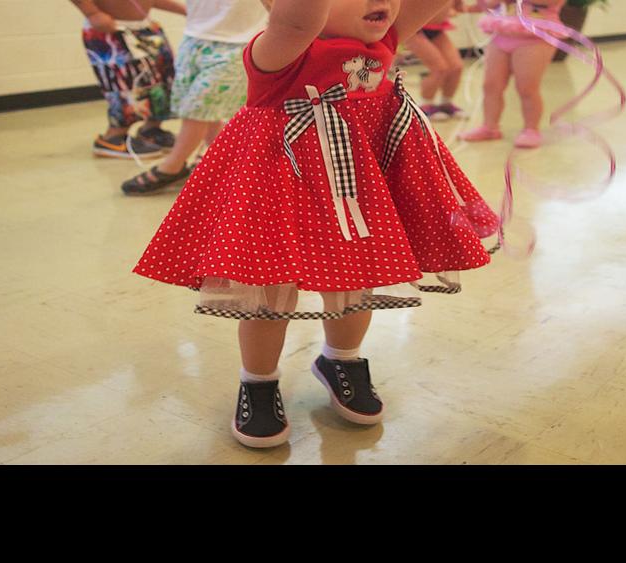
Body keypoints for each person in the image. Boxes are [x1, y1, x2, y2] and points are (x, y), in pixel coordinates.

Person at [132, 0, 499, 448]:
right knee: (270, 292)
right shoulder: (281, 47)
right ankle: (258, 382)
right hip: (279, 188)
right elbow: (299, 17)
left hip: (355, 191)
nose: (380, 1)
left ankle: (342, 359)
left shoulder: (382, 39)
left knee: (358, 281)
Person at [122, 0, 270, 194]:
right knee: (204, 111)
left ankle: (172, 166)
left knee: (197, 108)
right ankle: (229, 165)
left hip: (237, 44)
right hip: (193, 39)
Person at [72, 0, 186, 158]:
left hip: (144, 28)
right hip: (111, 30)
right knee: (125, 86)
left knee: (164, 78)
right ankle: (113, 137)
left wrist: (185, 10)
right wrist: (92, 13)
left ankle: (151, 129)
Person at [455, 0, 566, 148]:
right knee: (491, 85)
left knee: (527, 88)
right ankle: (489, 127)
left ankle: (531, 130)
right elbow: (488, 4)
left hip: (535, 36)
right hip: (502, 32)